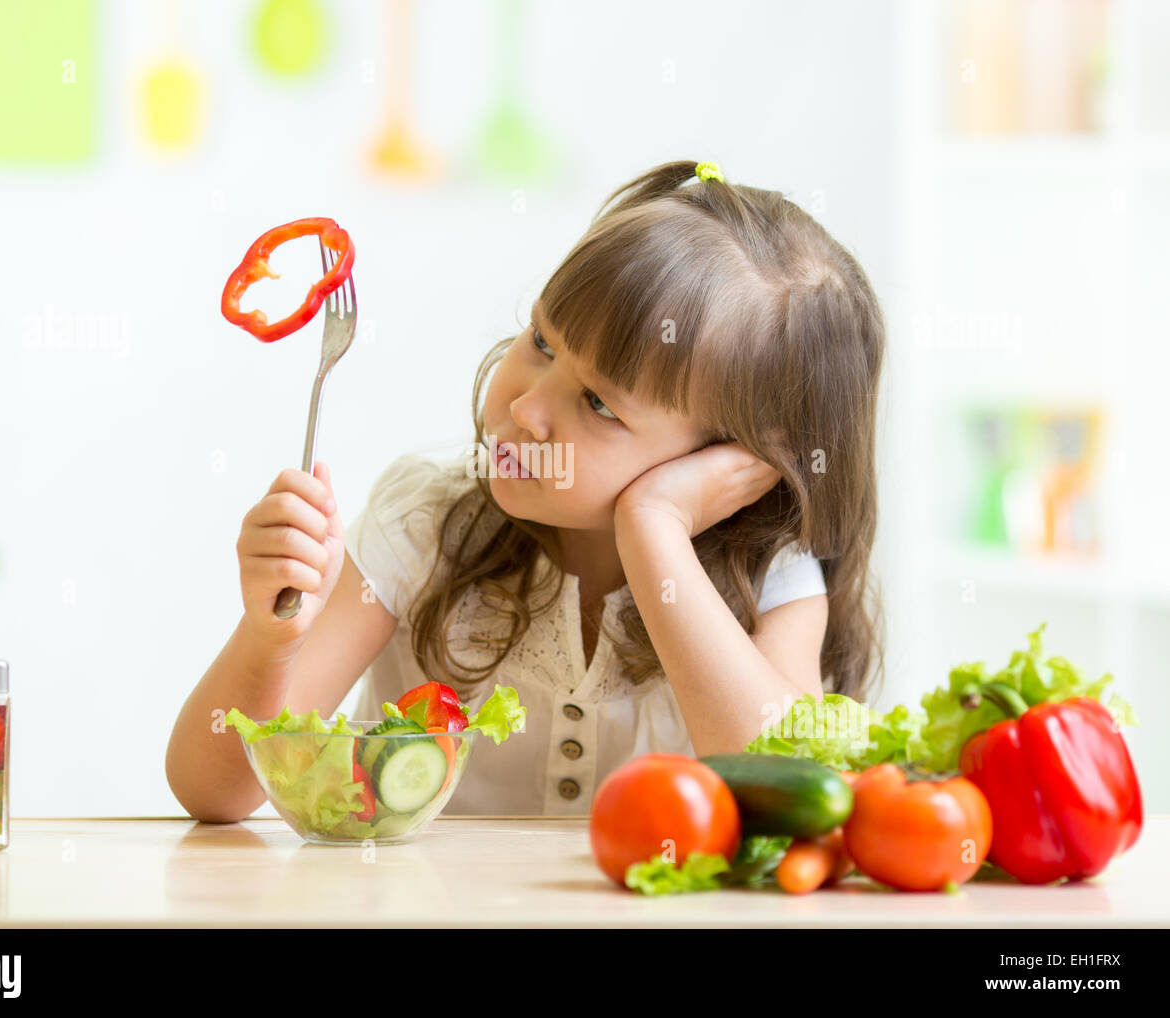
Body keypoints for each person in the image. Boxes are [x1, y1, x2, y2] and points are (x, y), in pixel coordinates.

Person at [167, 158, 885, 822]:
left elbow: (789, 800)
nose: (528, 409)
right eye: (542, 342)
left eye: (600, 405)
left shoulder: (772, 576)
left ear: (740, 465)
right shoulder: (422, 524)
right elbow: (218, 791)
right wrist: (269, 641)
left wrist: (654, 527)